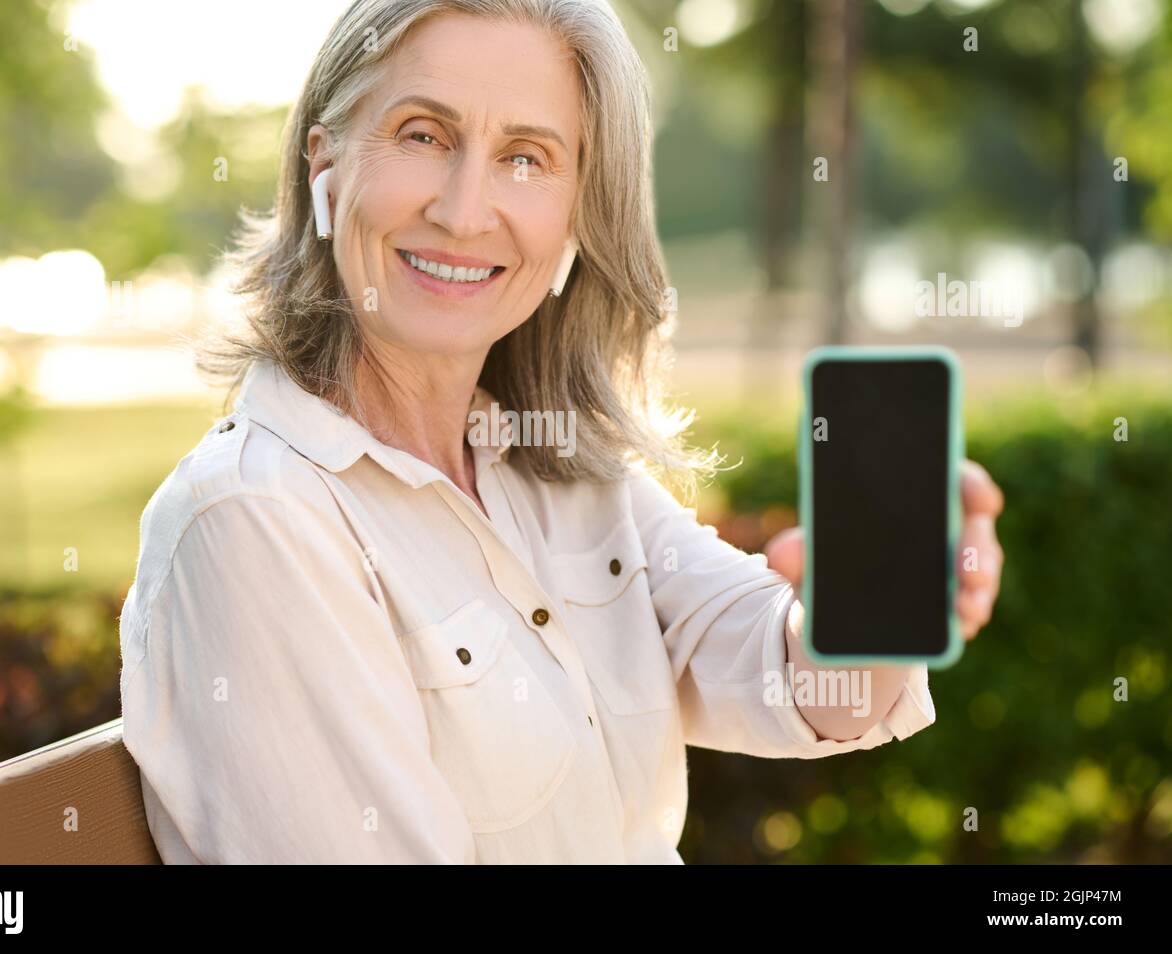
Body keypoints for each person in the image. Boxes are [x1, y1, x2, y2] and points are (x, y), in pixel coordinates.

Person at [118, 0, 1004, 864]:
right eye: (424, 135)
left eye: (527, 159)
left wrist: (876, 607)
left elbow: (801, 689)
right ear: (326, 164)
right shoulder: (254, 520)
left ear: (579, 215)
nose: (465, 212)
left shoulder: (550, 463)